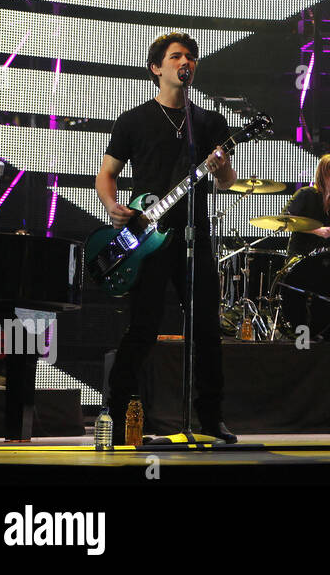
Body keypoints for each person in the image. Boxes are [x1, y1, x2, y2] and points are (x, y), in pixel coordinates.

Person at [97, 32, 238, 443]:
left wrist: (222, 170)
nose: (185, 61)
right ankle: (118, 415)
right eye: (176, 56)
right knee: (142, 326)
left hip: (196, 235)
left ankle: (210, 418)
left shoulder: (209, 123)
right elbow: (106, 174)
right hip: (146, 237)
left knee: (207, 328)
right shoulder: (133, 120)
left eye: (190, 56)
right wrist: (111, 205)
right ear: (157, 68)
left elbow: (227, 183)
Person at [282, 154, 330, 262]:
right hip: (300, 258)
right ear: (322, 177)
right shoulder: (305, 194)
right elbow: (285, 220)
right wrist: (316, 231)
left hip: (325, 260)